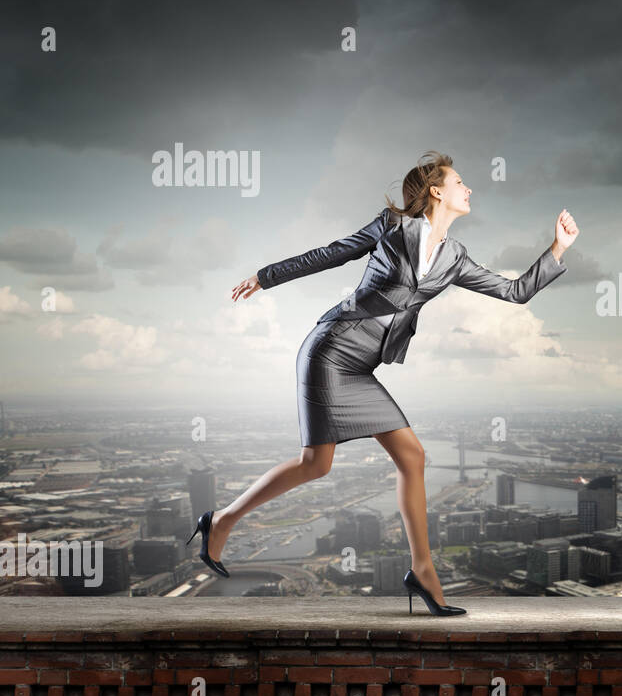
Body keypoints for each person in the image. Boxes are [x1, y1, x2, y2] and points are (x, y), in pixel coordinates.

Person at [193, 150, 578, 616]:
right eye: (460, 182)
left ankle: (422, 571)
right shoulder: (390, 227)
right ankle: (223, 521)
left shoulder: (455, 258)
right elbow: (329, 254)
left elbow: (514, 292)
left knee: (410, 457)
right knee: (317, 465)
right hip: (331, 350)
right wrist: (265, 277)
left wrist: (557, 249)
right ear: (437, 191)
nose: (469, 189)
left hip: (363, 368)